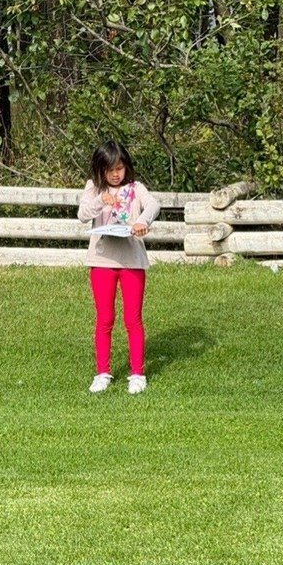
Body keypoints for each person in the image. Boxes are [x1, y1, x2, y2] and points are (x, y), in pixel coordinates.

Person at [77, 140, 161, 395]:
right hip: (102, 261)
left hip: (132, 262)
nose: (116, 174)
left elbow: (154, 205)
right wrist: (101, 201)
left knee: (133, 319)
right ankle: (103, 371)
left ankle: (137, 373)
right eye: (110, 169)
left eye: (120, 168)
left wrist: (143, 221)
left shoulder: (136, 188)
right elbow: (82, 214)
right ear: (100, 170)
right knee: (105, 318)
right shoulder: (94, 188)